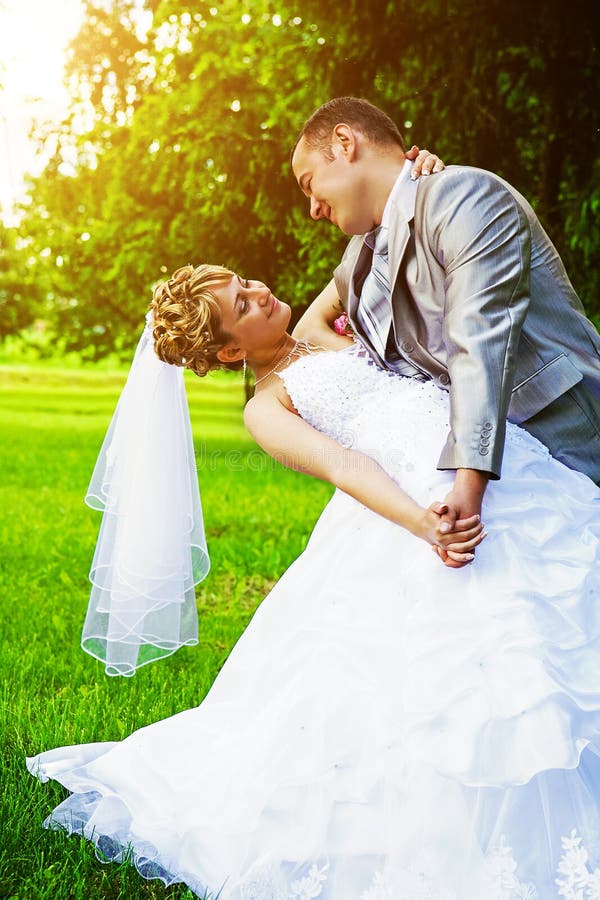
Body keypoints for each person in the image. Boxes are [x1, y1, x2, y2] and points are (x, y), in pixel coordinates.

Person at [28, 263, 600, 898]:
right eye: (243, 306)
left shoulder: (316, 329)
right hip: (419, 496)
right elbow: (343, 463)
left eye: (245, 282)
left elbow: (367, 246)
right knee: (489, 657)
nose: (258, 292)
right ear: (227, 351)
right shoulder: (267, 408)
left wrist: (415, 176)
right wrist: (419, 521)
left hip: (497, 460)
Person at [291, 97, 600, 540]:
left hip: (561, 435)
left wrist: (468, 483)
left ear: (344, 142)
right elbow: (309, 331)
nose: (313, 209)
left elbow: (479, 340)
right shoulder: (359, 259)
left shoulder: (461, 195)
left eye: (309, 183)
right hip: (490, 464)